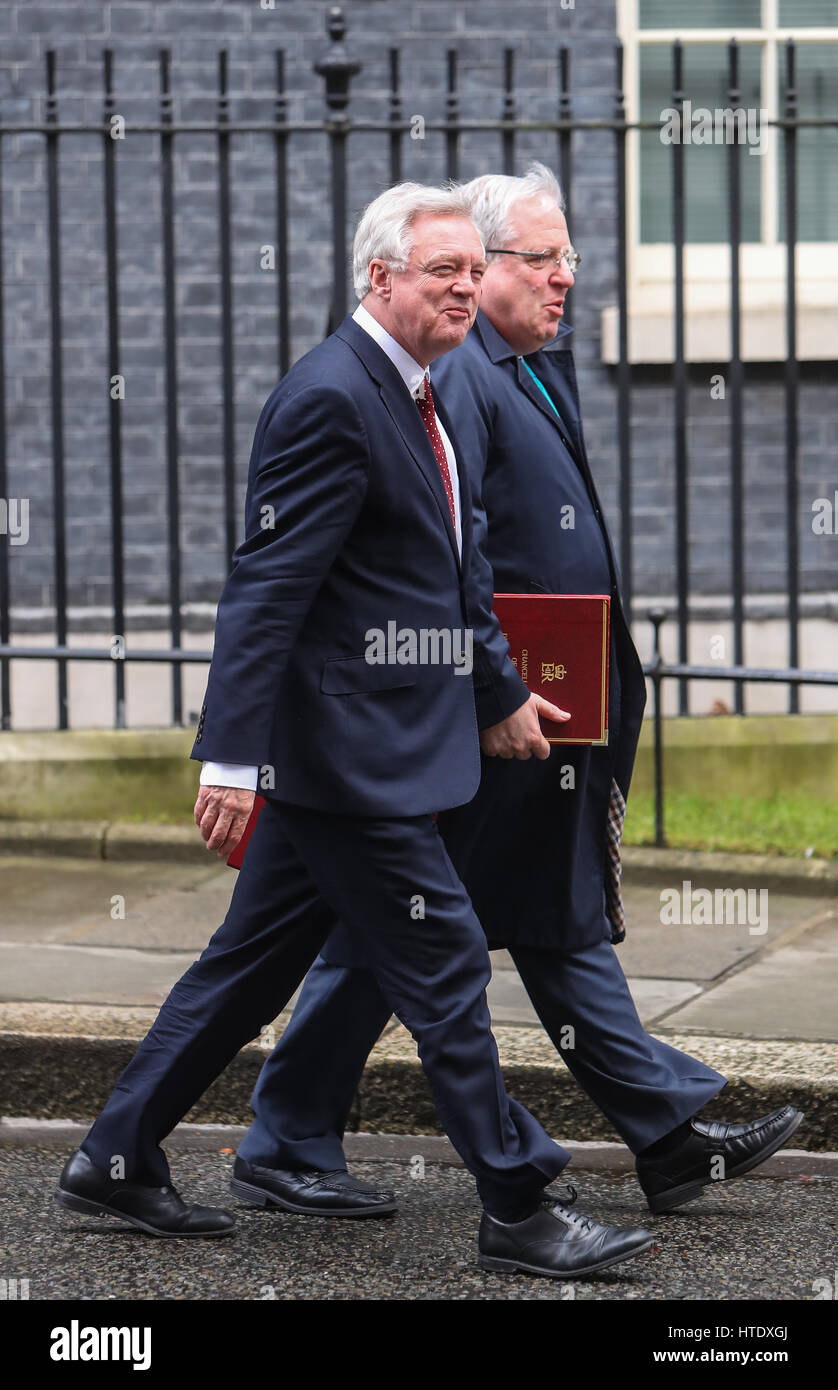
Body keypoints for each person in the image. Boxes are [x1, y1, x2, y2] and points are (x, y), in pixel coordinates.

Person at [55, 181, 654, 1280]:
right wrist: (231, 754)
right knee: (441, 963)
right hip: (345, 760)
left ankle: (113, 1149)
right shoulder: (332, 397)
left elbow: (458, 573)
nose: (467, 289)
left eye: (476, 271)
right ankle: (516, 1201)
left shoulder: (431, 392)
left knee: (245, 965)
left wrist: (494, 692)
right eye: (444, 274)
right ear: (378, 278)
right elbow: (266, 592)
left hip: (381, 744)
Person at [235, 164, 803, 1221]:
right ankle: (296, 1137)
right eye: (540, 259)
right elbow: (457, 561)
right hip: (478, 714)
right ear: (482, 267)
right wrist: (493, 690)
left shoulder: (523, 364)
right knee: (414, 922)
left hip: (534, 706)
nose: (564, 278)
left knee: (537, 913)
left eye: (567, 259)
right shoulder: (456, 376)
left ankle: (663, 1134)